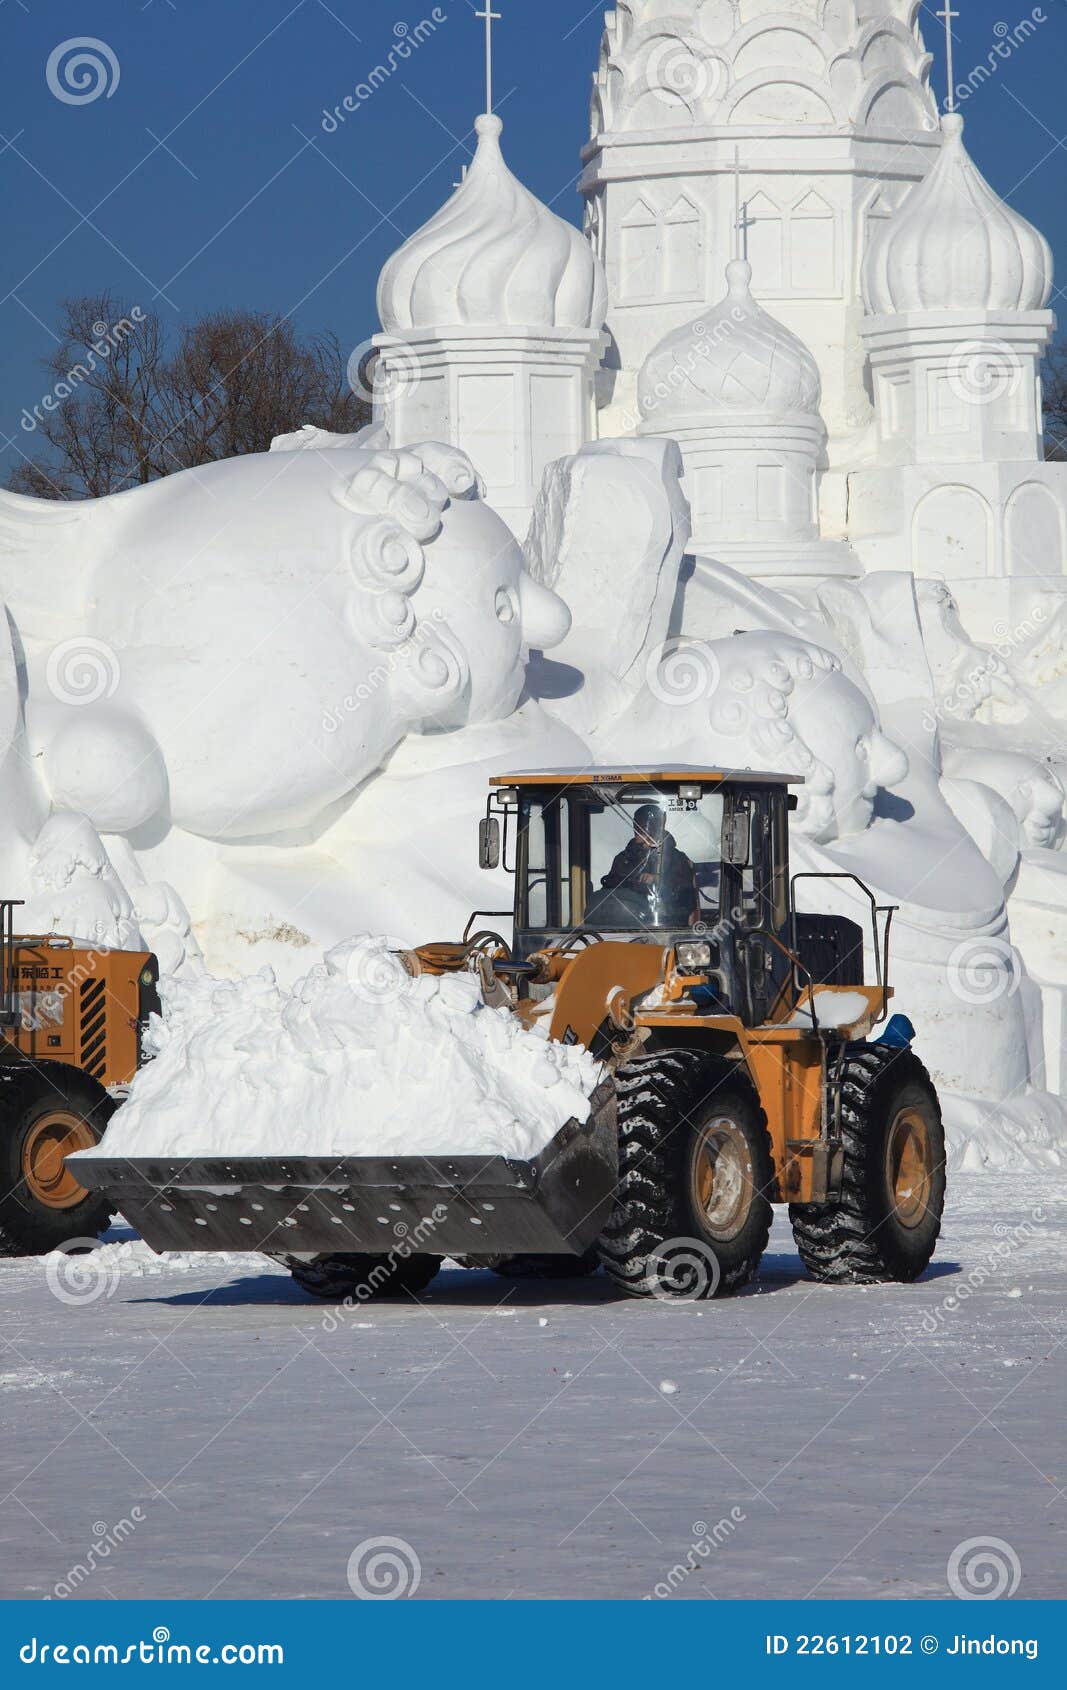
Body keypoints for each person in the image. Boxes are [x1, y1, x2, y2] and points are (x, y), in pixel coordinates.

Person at [600, 804, 698, 925]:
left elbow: (687, 899)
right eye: (640, 833)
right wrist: (633, 882)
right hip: (626, 925)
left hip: (667, 927)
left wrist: (658, 880)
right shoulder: (624, 858)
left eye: (650, 836)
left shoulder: (678, 859)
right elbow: (609, 891)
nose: (646, 842)